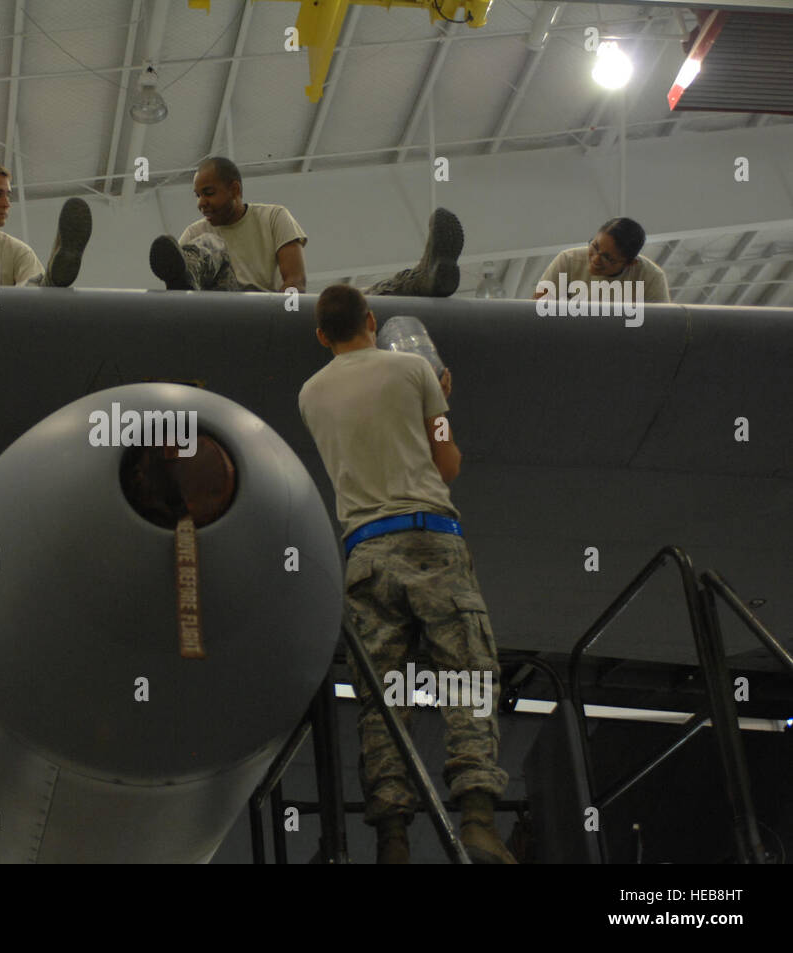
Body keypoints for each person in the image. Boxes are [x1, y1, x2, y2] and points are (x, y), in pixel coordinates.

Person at [298, 285, 514, 865]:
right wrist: (438, 402)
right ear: (371, 320)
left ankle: (391, 842)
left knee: (382, 700)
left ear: (323, 336)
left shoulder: (310, 394)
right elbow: (447, 463)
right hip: (430, 542)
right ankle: (476, 821)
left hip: (364, 554)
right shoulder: (414, 368)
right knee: (466, 676)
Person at [148, 156, 463, 298]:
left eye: (208, 193)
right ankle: (184, 279)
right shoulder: (196, 234)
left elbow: (295, 280)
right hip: (221, 304)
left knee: (350, 303)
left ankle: (423, 279)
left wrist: (287, 314)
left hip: (270, 306)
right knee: (209, 243)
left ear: (234, 188)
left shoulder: (274, 217)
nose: (201, 203)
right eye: (197, 196)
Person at [534, 217, 670, 302]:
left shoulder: (651, 277)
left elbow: (660, 327)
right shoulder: (568, 260)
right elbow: (537, 309)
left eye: (608, 258)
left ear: (630, 263)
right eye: (594, 246)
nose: (596, 259)